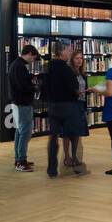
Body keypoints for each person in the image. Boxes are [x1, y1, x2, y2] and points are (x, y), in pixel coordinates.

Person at [44, 42, 88, 177]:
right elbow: (74, 87)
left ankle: (52, 168)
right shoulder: (66, 69)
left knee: (54, 138)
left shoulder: (47, 67)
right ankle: (75, 163)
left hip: (53, 106)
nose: (69, 53)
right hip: (68, 106)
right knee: (74, 133)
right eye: (68, 51)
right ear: (62, 52)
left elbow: (43, 87)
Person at [9, 44, 40, 171]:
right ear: (29, 54)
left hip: (17, 102)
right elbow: (22, 86)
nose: (32, 60)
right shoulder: (19, 67)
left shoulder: (16, 65)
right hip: (23, 103)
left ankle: (19, 158)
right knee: (25, 132)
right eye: (33, 58)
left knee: (19, 131)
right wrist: (35, 87)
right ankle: (21, 161)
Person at [64, 52, 89, 168]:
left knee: (77, 132)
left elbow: (83, 87)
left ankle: (74, 156)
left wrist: (88, 90)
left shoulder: (83, 74)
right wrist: (74, 92)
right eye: (77, 58)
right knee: (67, 132)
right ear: (72, 60)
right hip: (70, 104)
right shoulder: (68, 73)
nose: (79, 61)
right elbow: (65, 89)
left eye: (81, 58)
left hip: (80, 104)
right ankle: (67, 157)